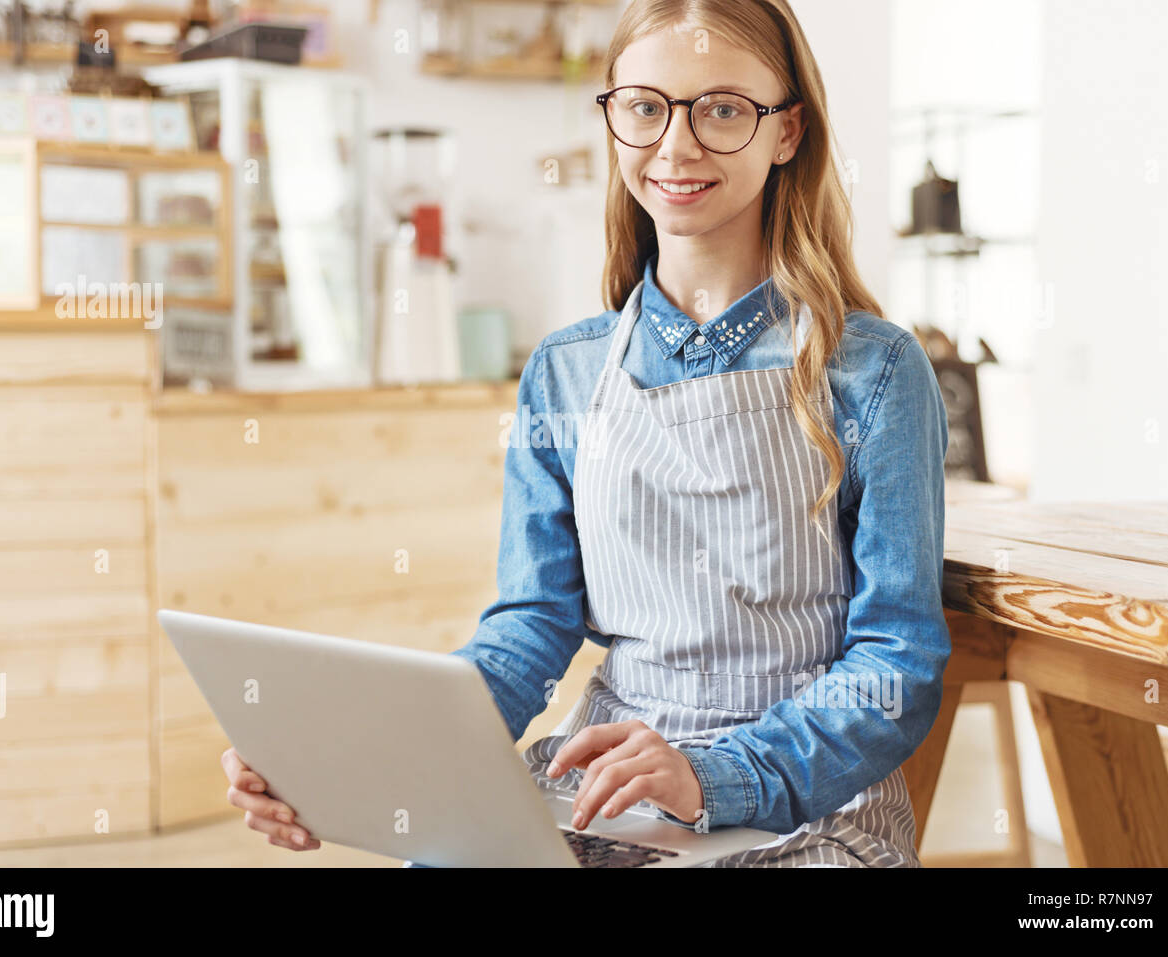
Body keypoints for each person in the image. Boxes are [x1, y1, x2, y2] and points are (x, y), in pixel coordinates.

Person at [223, 0, 951, 867]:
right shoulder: (564, 373)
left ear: (787, 132)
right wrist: (350, 758)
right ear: (613, 120)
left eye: (722, 110)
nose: (675, 146)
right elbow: (527, 629)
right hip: (602, 779)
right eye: (645, 107)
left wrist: (716, 774)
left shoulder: (875, 372)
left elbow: (895, 665)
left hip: (809, 802)